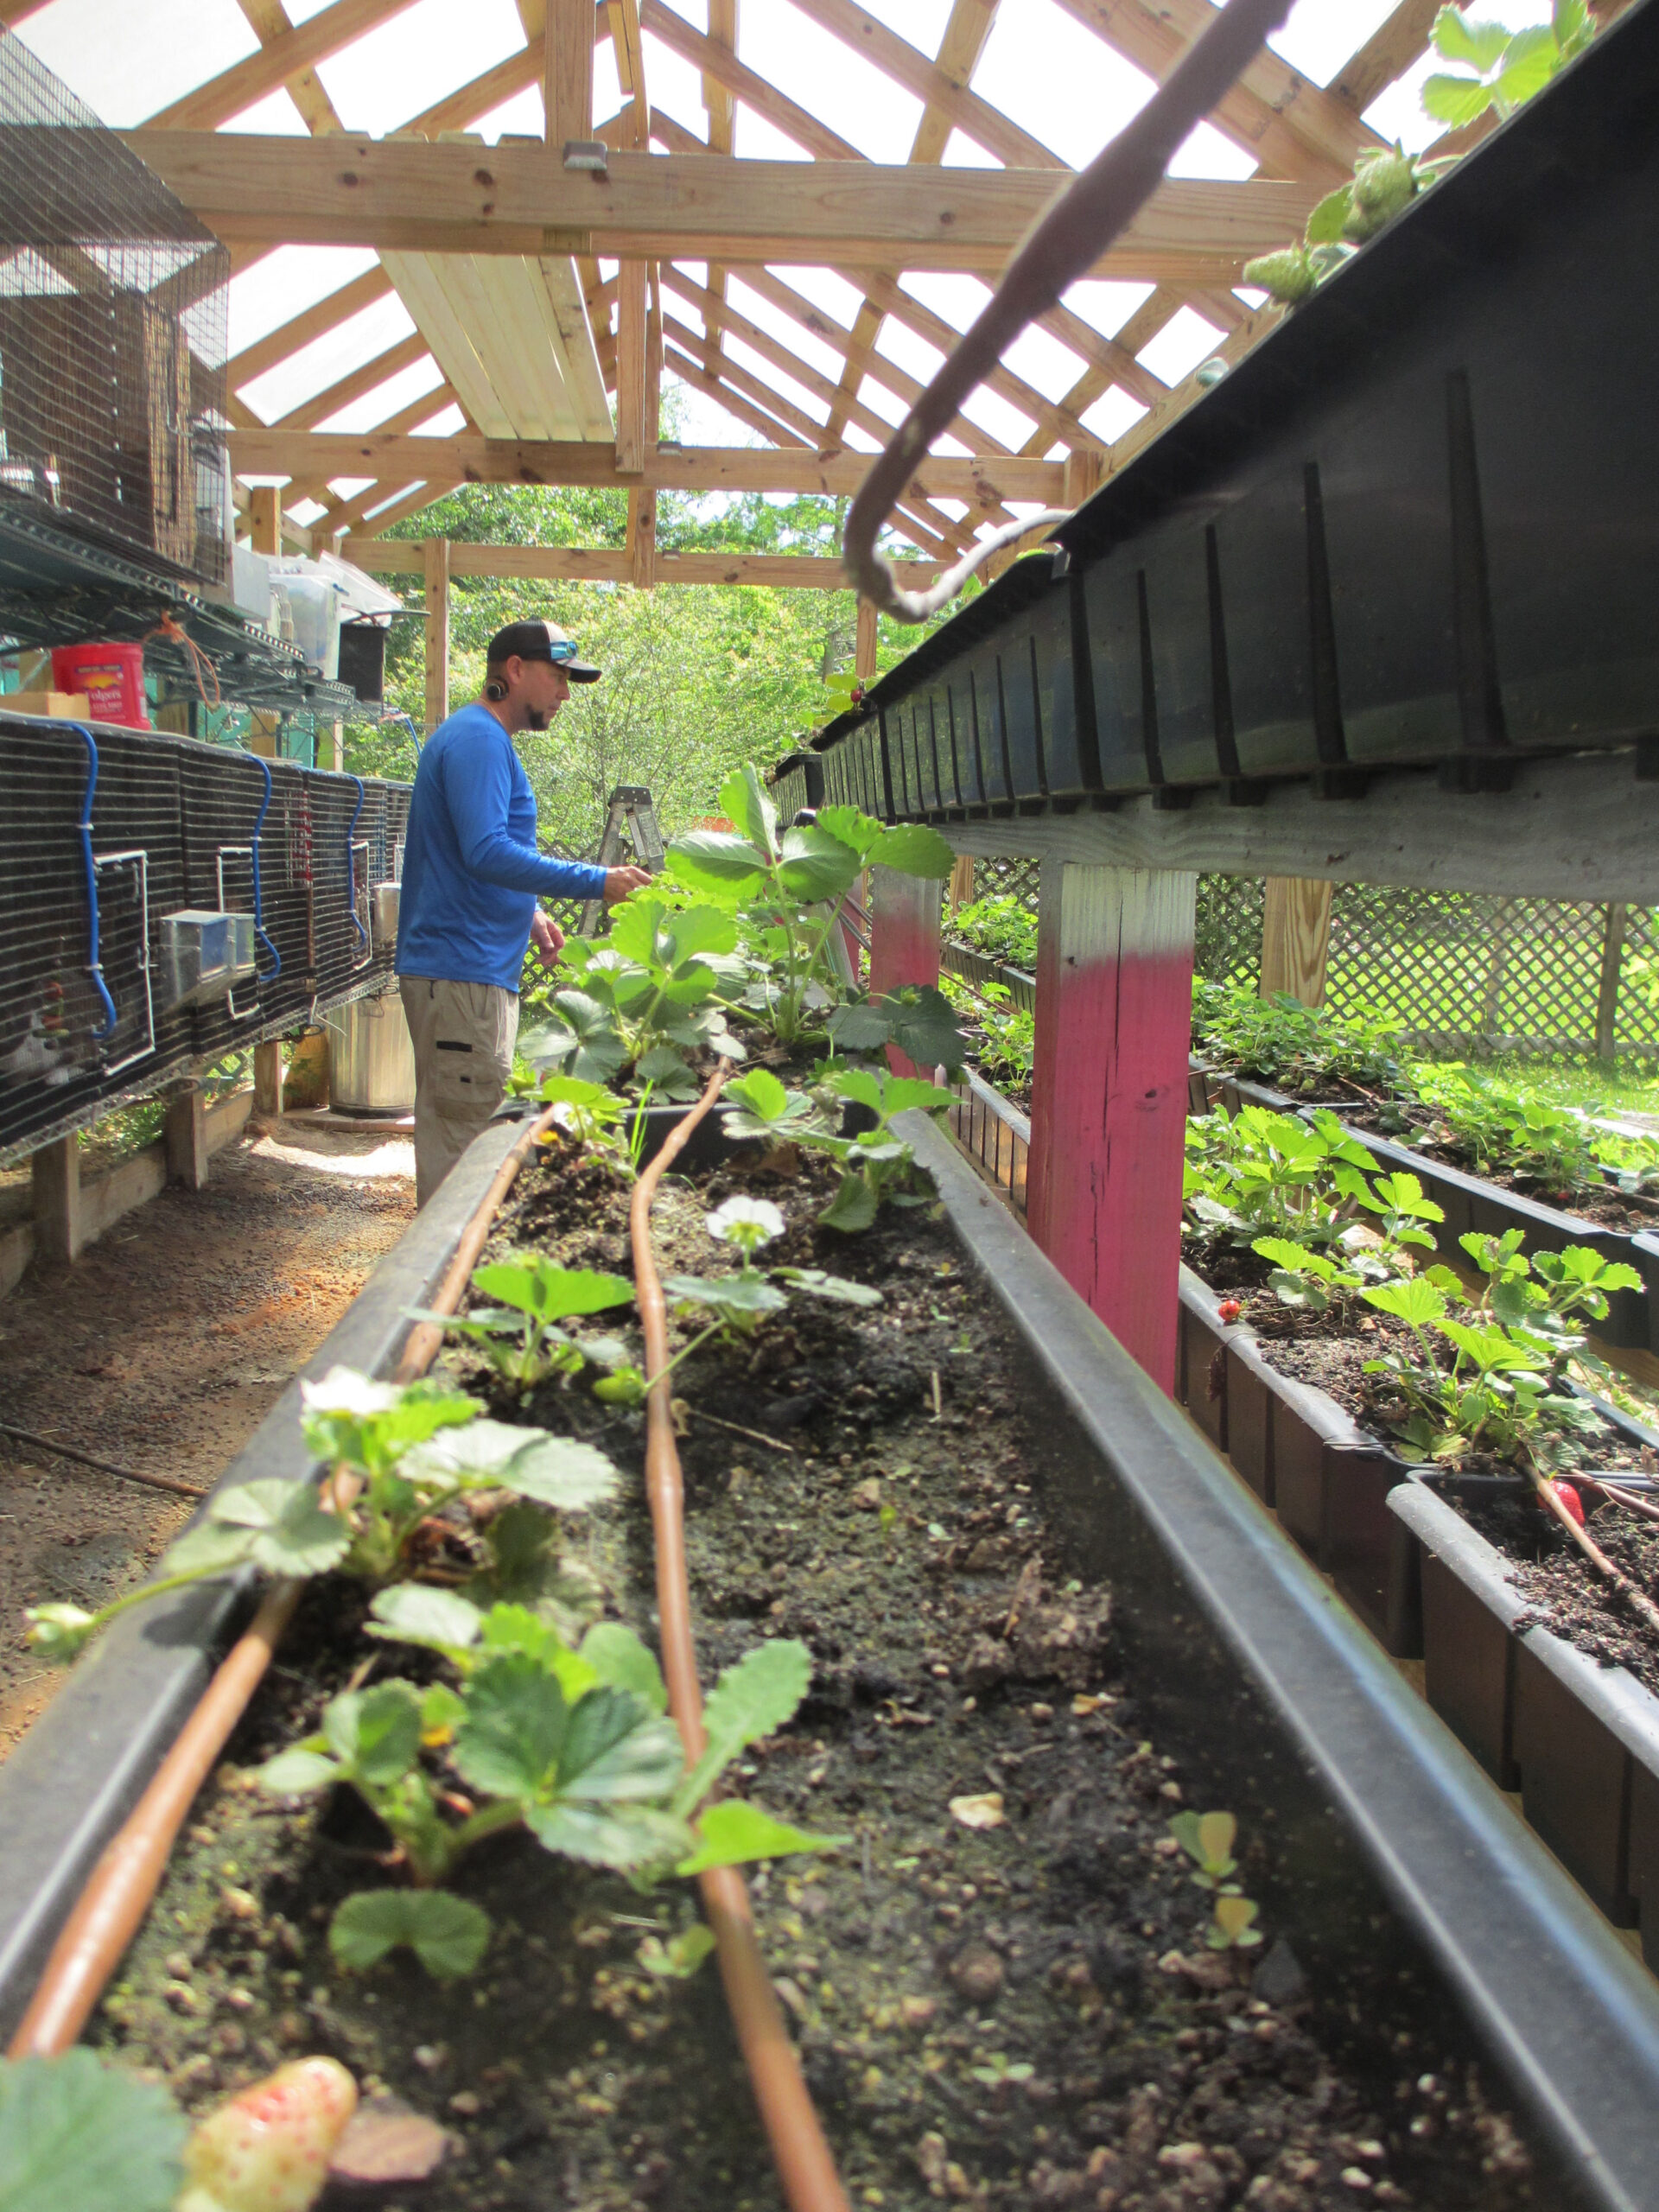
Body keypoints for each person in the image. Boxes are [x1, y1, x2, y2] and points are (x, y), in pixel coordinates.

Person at [396, 618, 649, 1206]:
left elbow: (470, 850)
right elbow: (486, 851)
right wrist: (600, 882)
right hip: (462, 976)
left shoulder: (480, 739)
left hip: (466, 976)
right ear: (514, 670)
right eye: (557, 676)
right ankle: (453, 1268)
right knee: (466, 1169)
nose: (564, 693)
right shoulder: (479, 740)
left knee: (466, 1145)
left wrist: (529, 911)